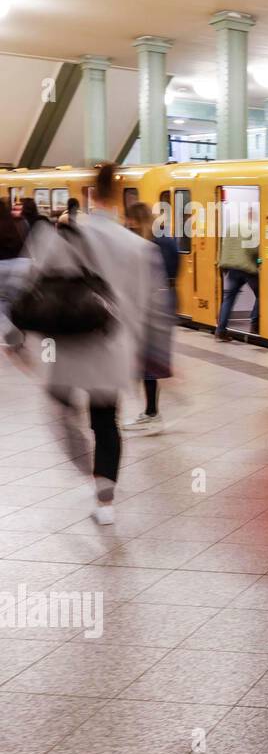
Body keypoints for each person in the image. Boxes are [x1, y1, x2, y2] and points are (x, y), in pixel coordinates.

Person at [20, 163, 155, 525]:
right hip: (111, 349)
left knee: (61, 409)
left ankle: (83, 465)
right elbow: (141, 309)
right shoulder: (138, 247)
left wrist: (22, 342)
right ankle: (105, 497)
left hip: (67, 347)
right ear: (122, 199)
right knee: (106, 423)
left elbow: (39, 286)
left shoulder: (61, 236)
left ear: (92, 194)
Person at [121, 201, 178, 434]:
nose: (128, 225)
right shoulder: (166, 240)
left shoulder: (148, 244)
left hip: (151, 305)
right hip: (163, 301)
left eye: (130, 221)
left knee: (147, 361)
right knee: (149, 360)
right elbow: (173, 271)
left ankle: (152, 413)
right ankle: (151, 411)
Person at [215, 203, 260, 341]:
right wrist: (260, 260)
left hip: (232, 268)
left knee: (229, 299)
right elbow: (254, 250)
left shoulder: (232, 227)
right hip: (247, 268)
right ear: (254, 215)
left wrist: (221, 263)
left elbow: (223, 247)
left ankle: (220, 330)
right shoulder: (254, 228)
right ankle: (255, 322)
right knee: (262, 295)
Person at [0, 209, 31, 350]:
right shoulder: (14, 224)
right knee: (16, 302)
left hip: (2, 265)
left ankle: (12, 333)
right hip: (21, 264)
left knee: (2, 303)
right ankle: (20, 333)